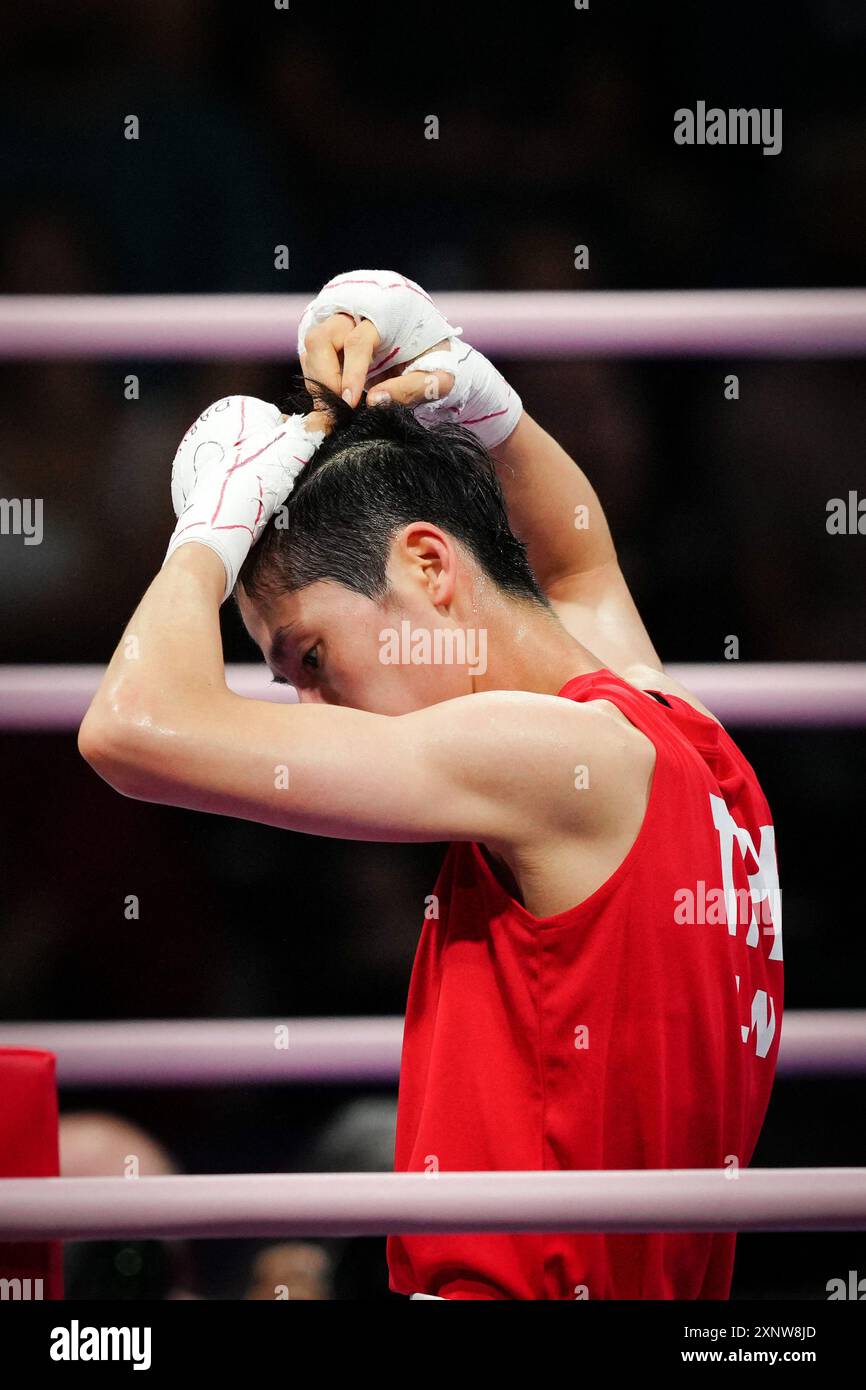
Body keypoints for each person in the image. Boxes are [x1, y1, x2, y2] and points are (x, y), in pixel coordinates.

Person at [79, 269, 783, 1300]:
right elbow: (578, 564)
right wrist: (482, 399)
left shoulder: (542, 762)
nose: (312, 713)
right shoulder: (672, 731)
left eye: (310, 658)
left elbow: (128, 729)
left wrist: (212, 534)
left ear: (427, 564)